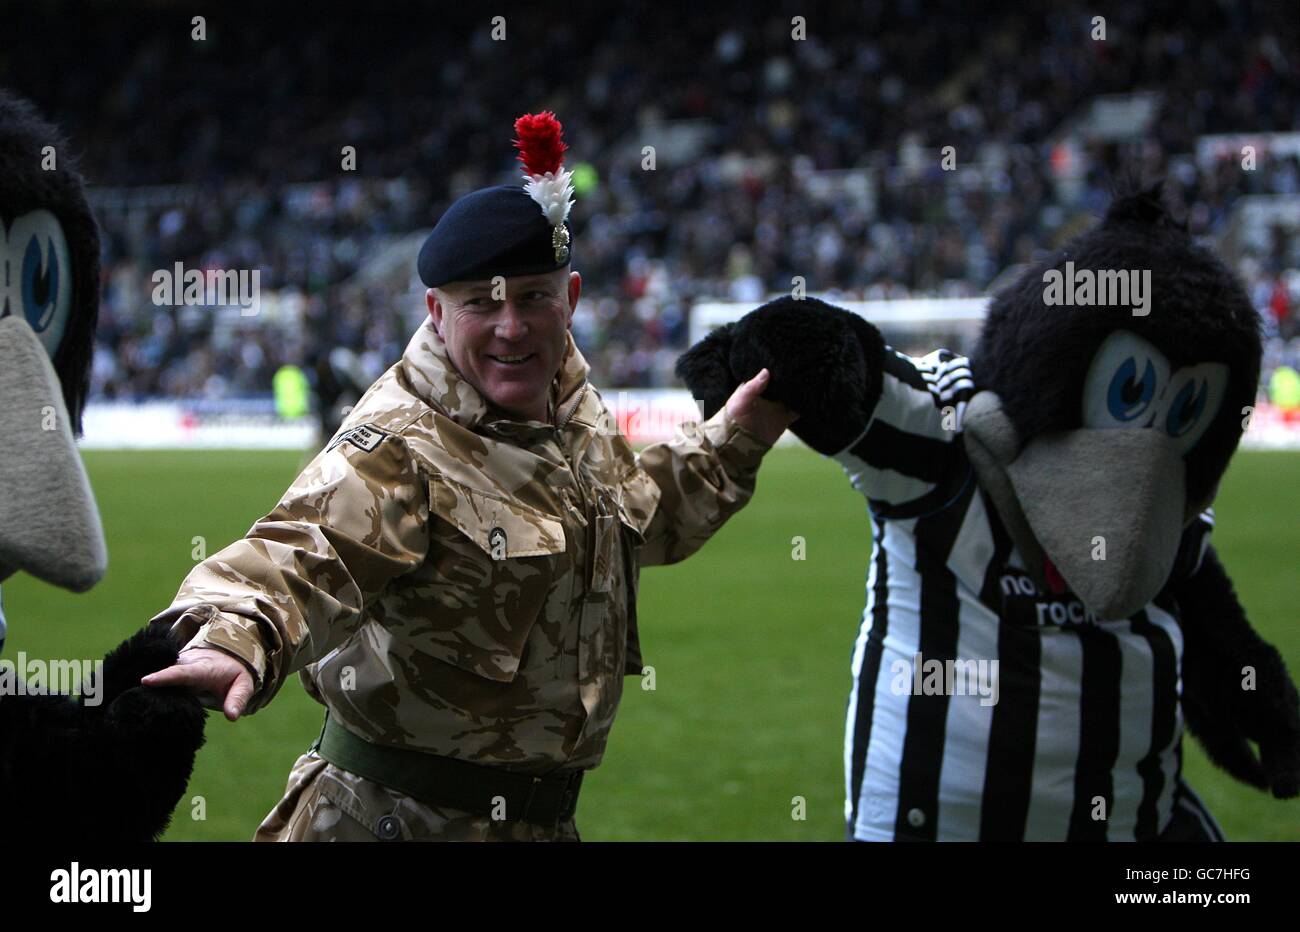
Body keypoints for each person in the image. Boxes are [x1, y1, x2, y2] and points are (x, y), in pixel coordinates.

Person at [142, 112, 795, 841]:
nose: (510, 326)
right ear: (436, 311)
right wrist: (234, 634)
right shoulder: (401, 442)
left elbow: (638, 517)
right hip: (392, 823)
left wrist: (739, 436)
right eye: (481, 303)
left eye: (533, 298)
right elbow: (303, 551)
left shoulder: (572, 410)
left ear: (570, 299)